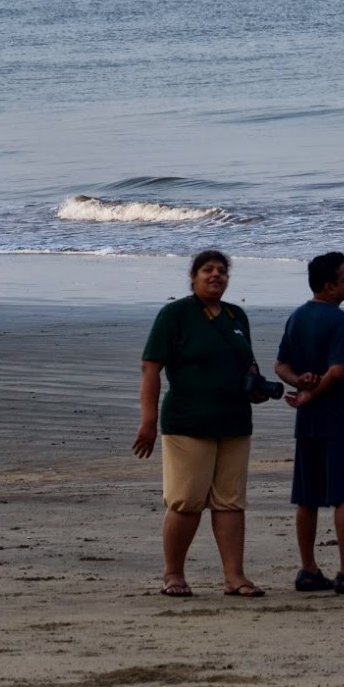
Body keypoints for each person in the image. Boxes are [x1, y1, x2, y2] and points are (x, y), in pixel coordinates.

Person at [132, 249, 271, 598]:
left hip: (235, 421)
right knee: (186, 501)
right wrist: (148, 421)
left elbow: (248, 365)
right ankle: (173, 574)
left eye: (222, 271)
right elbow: (151, 368)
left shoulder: (237, 316)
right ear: (193, 277)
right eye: (207, 270)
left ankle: (235, 577)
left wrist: (256, 385)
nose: (216, 276)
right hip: (188, 421)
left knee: (230, 501)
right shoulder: (175, 314)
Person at [273, 251, 344, 595]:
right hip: (340, 419)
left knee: (307, 497)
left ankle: (308, 569)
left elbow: (281, 365)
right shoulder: (340, 321)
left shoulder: (297, 316)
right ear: (329, 286)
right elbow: (337, 371)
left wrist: (300, 382)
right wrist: (311, 392)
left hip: (309, 423)